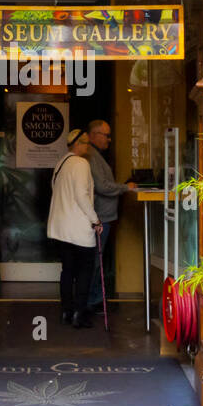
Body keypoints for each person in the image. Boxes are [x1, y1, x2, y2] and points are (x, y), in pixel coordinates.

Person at [47, 129, 102, 329]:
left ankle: (66, 311)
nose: (88, 146)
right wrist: (95, 219)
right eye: (85, 142)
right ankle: (79, 313)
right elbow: (81, 195)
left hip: (60, 228)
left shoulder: (61, 163)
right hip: (78, 229)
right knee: (85, 271)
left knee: (67, 271)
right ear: (76, 144)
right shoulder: (81, 163)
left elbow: (55, 189)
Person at [84, 119, 136, 309]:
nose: (109, 139)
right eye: (106, 135)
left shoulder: (95, 155)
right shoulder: (91, 155)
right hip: (100, 217)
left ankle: (96, 298)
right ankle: (92, 300)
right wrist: (125, 187)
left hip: (104, 215)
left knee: (97, 258)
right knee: (96, 259)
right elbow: (102, 186)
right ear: (93, 135)